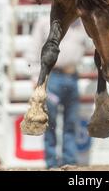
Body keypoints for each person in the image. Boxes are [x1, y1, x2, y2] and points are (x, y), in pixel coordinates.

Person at [27, 17, 87, 168]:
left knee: (71, 121)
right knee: (50, 121)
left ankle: (69, 160)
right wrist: (36, 77)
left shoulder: (82, 23)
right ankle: (52, 162)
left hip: (72, 76)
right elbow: (33, 49)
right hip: (52, 76)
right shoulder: (44, 22)